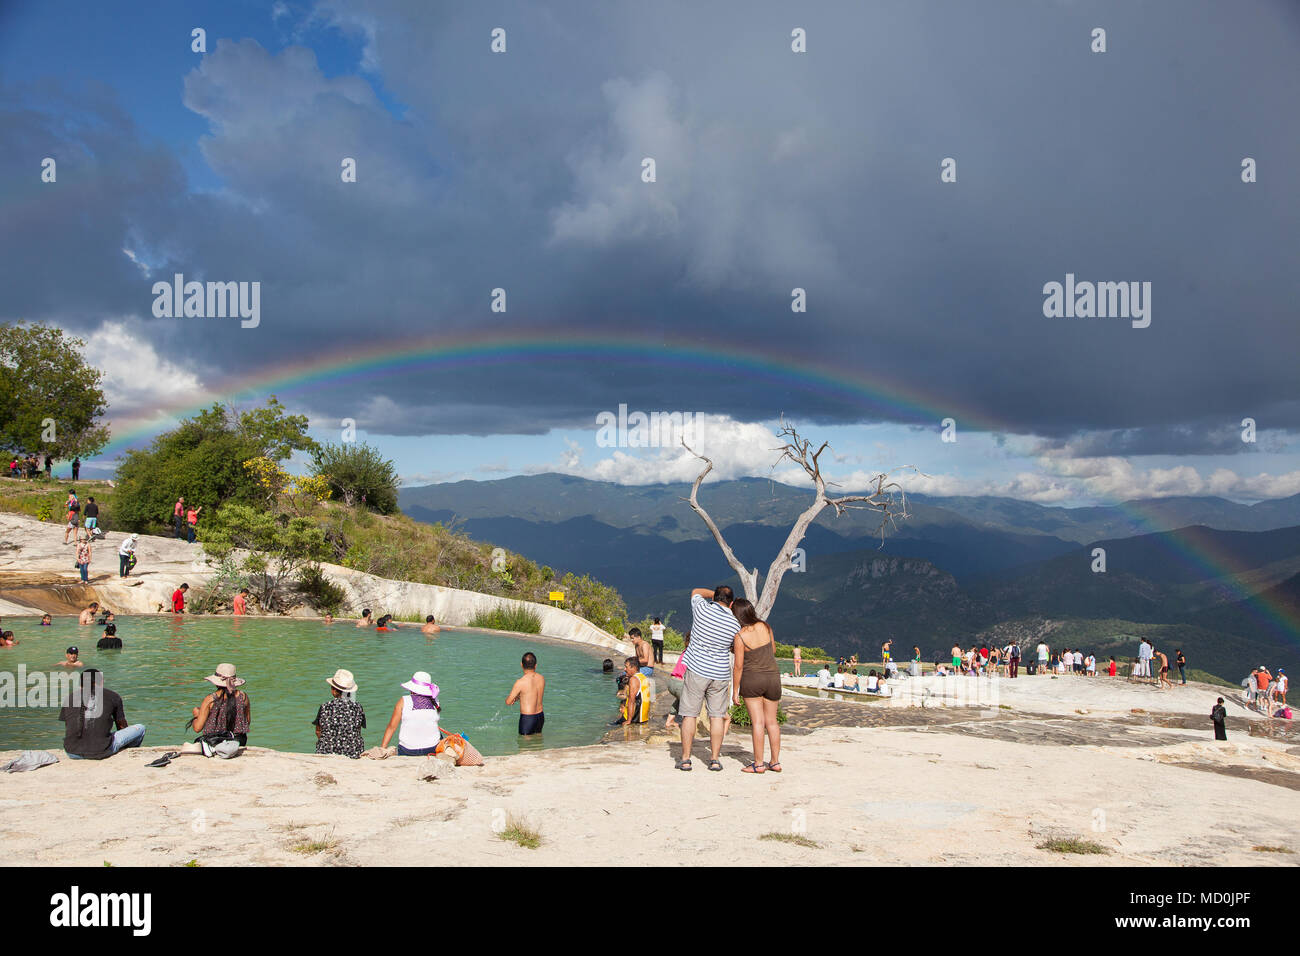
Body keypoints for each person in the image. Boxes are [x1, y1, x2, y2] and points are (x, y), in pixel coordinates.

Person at [676, 585, 740, 772]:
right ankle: (714, 759)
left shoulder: (702, 609)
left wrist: (714, 596)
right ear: (732, 603)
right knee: (717, 717)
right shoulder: (735, 624)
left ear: (715, 598)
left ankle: (686, 759)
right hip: (720, 674)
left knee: (689, 715)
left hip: (697, 670)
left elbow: (695, 591)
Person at [730, 598, 782, 774]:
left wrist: (735, 691)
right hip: (773, 678)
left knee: (758, 722)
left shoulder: (740, 637)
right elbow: (773, 650)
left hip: (752, 679)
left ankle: (758, 764)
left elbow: (738, 666)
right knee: (772, 722)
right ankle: (775, 762)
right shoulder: (766, 627)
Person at [59, 669, 145, 759]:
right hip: (101, 750)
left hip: (72, 752)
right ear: (101, 681)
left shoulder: (69, 698)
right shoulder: (113, 696)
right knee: (141, 728)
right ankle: (127, 754)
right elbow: (121, 726)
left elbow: (69, 726)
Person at [178, 663, 251, 758]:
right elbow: (247, 722)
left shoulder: (210, 699)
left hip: (216, 742)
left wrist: (196, 715)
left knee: (197, 711)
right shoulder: (243, 697)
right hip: (238, 741)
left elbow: (197, 728)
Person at [379, 671, 441, 756]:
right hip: (431, 749)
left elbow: (392, 727)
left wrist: (382, 748)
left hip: (408, 750)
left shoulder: (403, 700)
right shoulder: (435, 701)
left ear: (412, 688)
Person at [314, 669, 366, 758]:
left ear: (334, 691)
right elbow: (357, 732)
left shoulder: (325, 706)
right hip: (353, 752)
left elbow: (318, 731)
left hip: (327, 752)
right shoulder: (358, 707)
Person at [506, 652, 546, 736]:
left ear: (521, 665)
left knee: (525, 746)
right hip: (540, 716)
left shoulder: (520, 682)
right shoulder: (541, 678)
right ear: (535, 665)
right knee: (538, 742)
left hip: (528, 718)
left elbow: (508, 702)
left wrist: (515, 697)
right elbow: (531, 693)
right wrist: (520, 696)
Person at [664, 633, 690, 730]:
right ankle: (687, 727)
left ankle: (669, 720)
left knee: (679, 700)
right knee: (689, 705)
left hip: (672, 681)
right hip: (680, 683)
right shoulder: (694, 653)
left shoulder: (685, 651)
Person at [615, 657, 651, 726]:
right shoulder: (643, 677)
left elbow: (631, 701)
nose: (624, 669)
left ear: (633, 667)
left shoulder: (633, 679)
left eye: (626, 667)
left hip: (635, 718)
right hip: (643, 717)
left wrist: (628, 720)